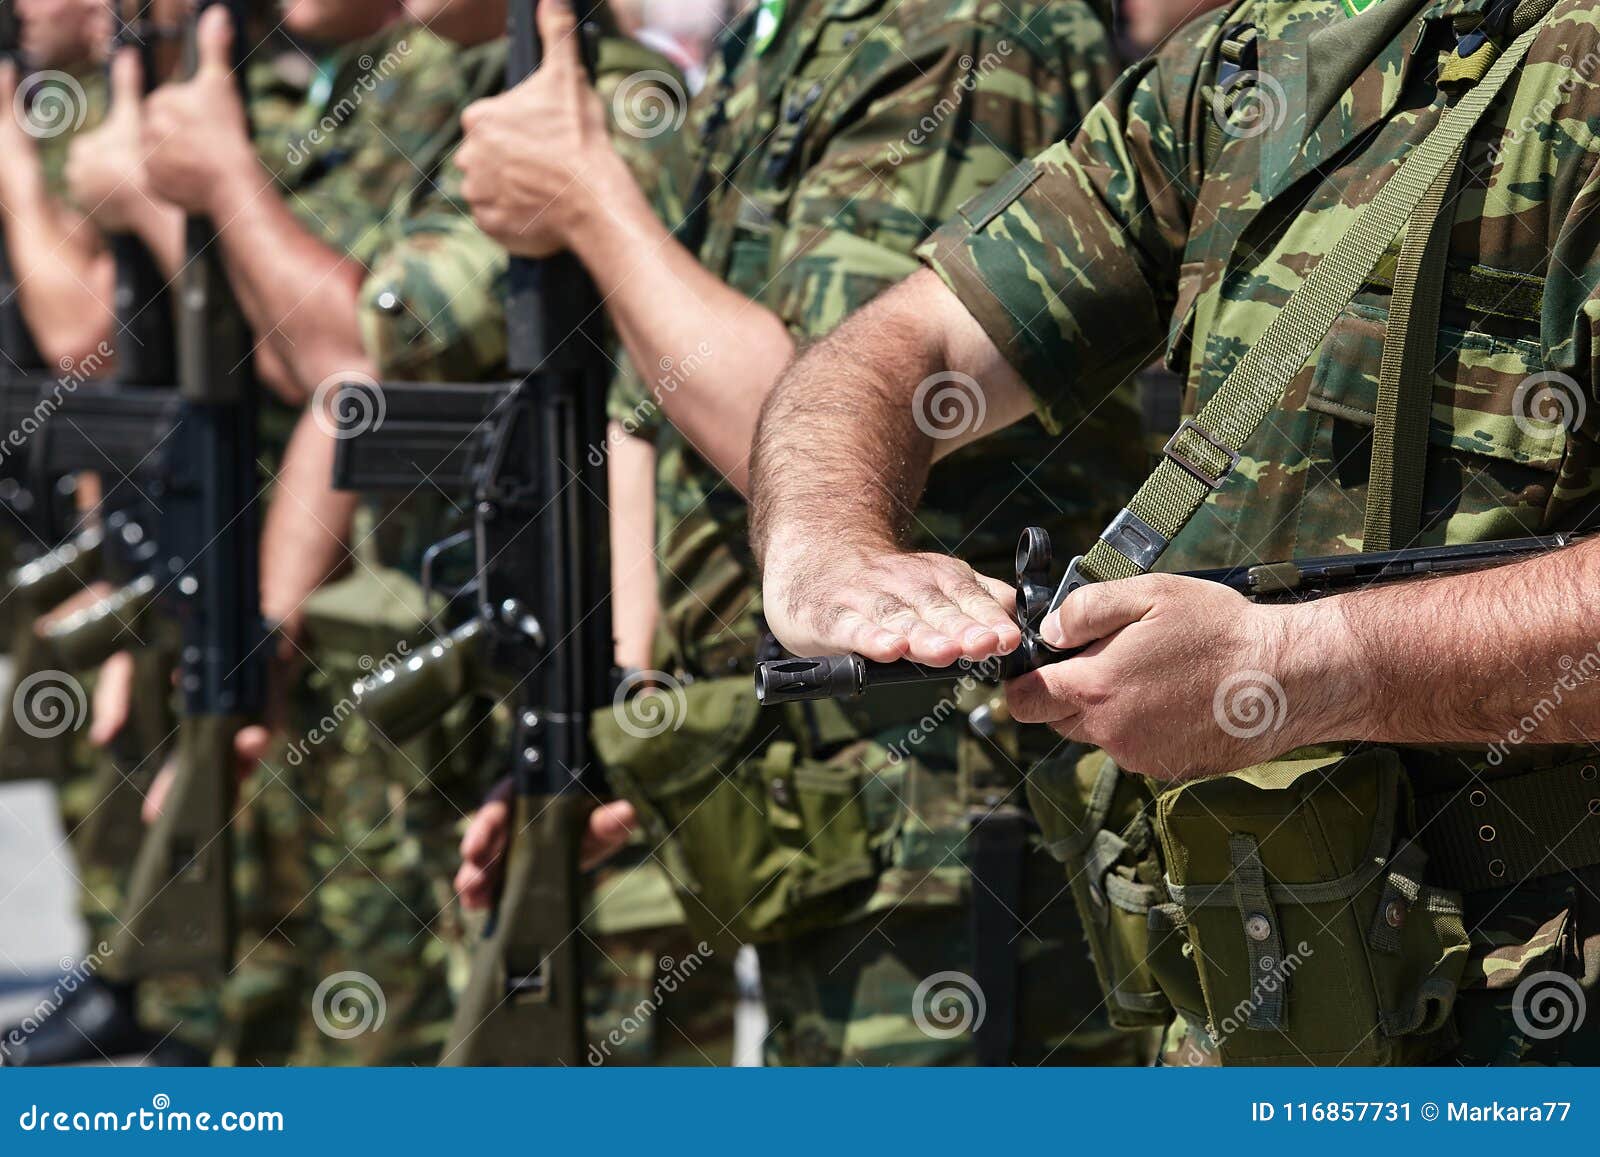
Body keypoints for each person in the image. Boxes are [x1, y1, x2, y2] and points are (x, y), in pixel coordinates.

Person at [750, 0, 1600, 1065]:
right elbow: (912, 337)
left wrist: (1298, 666)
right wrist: (824, 544)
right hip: (1256, 997)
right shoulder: (1260, 54)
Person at [454, 0, 1155, 1065]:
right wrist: (620, 720)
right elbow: (651, 408)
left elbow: (803, 435)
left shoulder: (958, 26)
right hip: (809, 804)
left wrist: (589, 197)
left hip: (941, 808)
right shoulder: (777, 36)